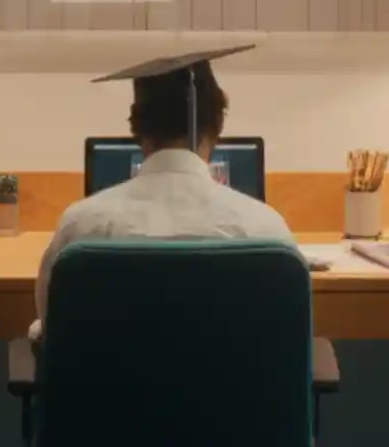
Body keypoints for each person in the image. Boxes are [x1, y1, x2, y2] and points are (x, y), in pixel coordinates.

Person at [32, 48, 294, 337]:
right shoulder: (268, 233)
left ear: (136, 128)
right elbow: (289, 338)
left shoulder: (79, 228)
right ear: (218, 124)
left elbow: (52, 328)